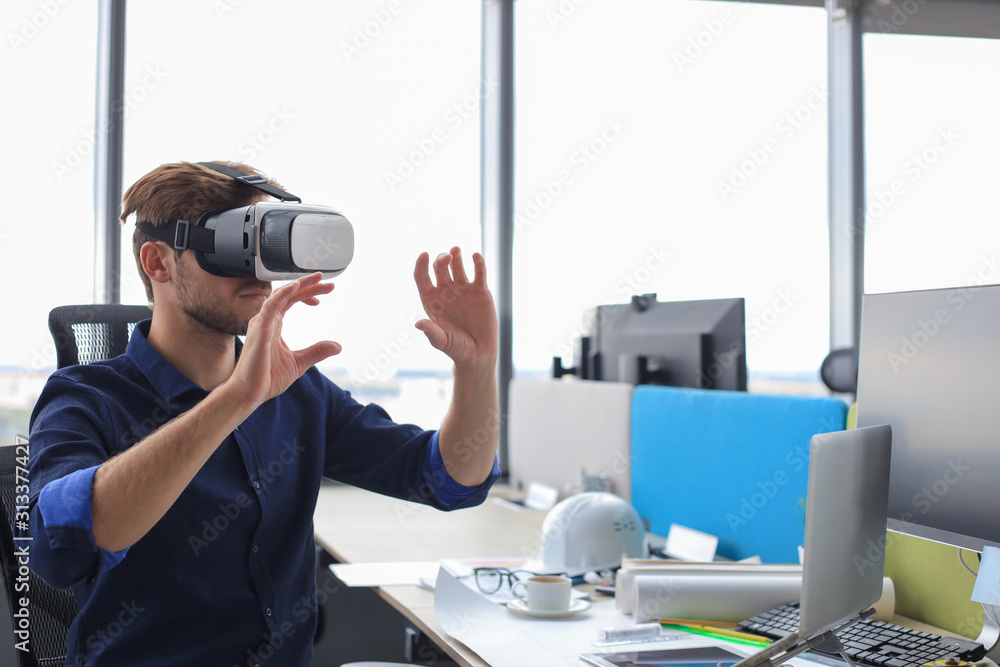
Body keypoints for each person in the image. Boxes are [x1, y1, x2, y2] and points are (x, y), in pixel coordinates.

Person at [27, 161, 501, 666]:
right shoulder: (84, 398)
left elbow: (451, 480)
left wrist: (476, 368)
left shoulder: (298, 393)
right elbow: (63, 545)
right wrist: (235, 399)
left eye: (265, 245)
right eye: (233, 246)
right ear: (158, 263)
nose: (258, 270)